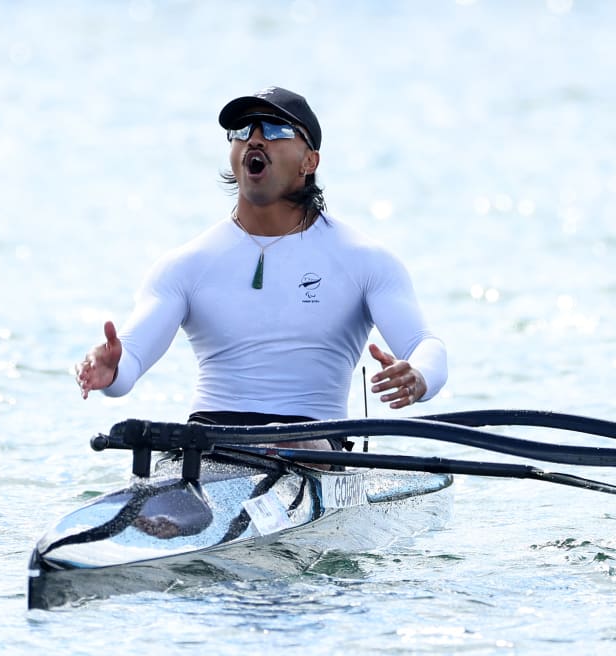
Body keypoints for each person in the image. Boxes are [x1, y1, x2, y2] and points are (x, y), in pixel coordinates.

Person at [75, 86, 447, 448]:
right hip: (208, 442)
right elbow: (131, 361)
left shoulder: (364, 260)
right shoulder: (186, 265)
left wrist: (419, 376)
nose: (255, 139)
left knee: (300, 445)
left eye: (275, 130)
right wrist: (110, 371)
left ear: (309, 161)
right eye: (243, 131)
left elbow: (425, 345)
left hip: (311, 443)